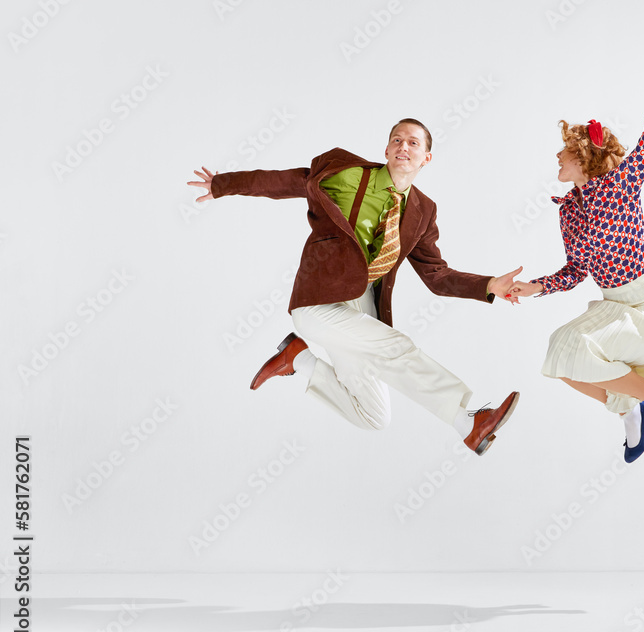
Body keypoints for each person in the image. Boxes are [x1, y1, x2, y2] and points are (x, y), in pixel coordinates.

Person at [187, 119, 520, 455]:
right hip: (319, 300)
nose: (404, 147)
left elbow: (436, 274)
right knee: (395, 346)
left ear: (426, 158)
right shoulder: (349, 176)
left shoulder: (423, 211)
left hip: (363, 305)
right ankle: (467, 422)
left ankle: (297, 358)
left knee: (374, 415)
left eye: (413, 143)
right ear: (387, 150)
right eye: (397, 140)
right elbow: (286, 182)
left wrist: (489, 284)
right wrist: (222, 184)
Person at [510, 21, 644, 463]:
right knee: (562, 359)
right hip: (615, 308)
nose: (557, 156)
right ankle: (632, 408)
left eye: (565, 150)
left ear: (584, 158)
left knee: (571, 348)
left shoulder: (620, 183)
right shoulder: (569, 209)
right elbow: (576, 271)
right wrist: (533, 287)